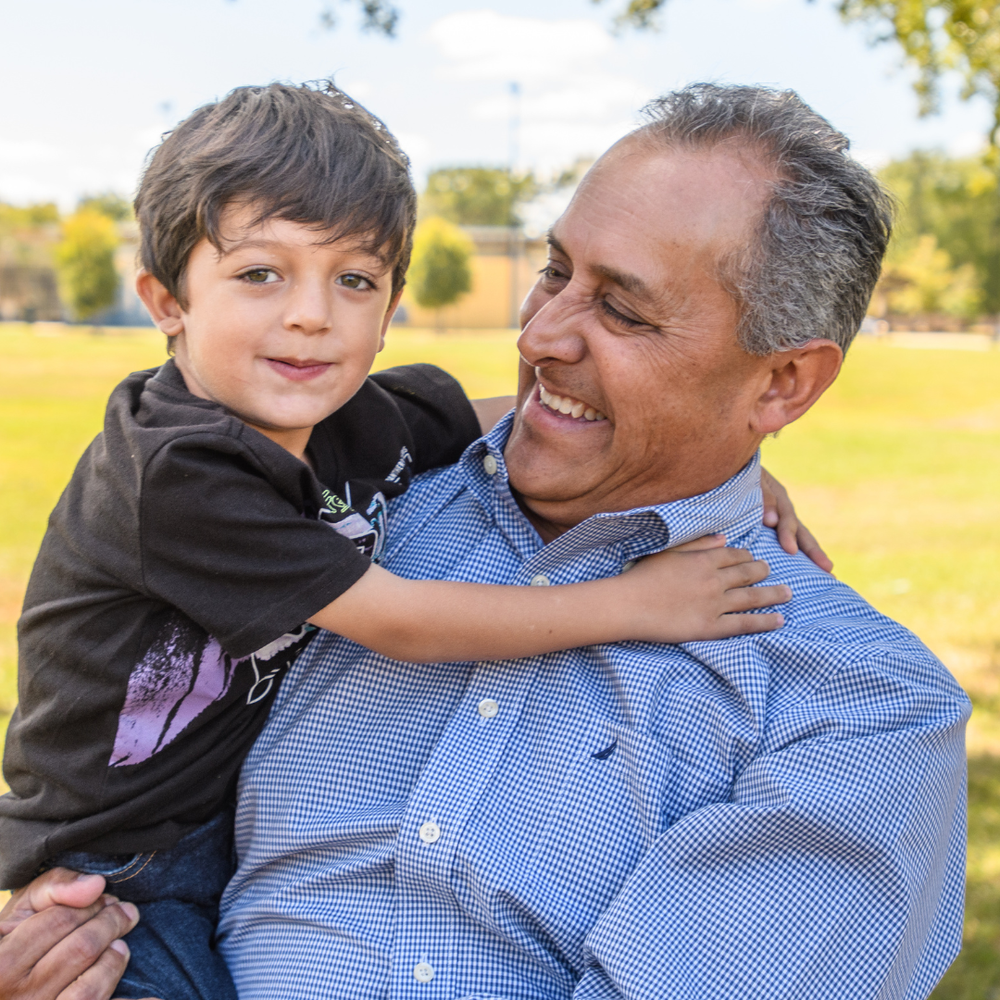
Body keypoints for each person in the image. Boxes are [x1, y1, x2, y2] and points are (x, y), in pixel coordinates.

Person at [0, 82, 970, 1000]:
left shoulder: (856, 709)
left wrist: (734, 471)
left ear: (783, 385)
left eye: (621, 308)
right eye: (553, 272)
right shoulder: (358, 511)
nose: (542, 332)